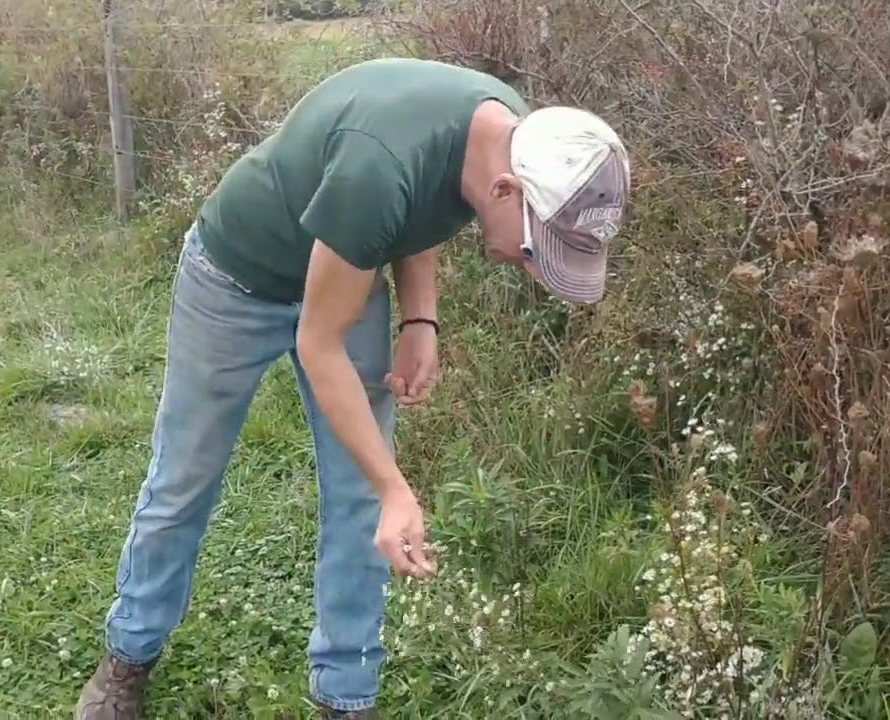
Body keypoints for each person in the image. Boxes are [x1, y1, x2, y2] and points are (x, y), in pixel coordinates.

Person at [75, 56, 630, 720]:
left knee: (361, 504)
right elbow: (320, 340)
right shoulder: (382, 166)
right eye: (538, 248)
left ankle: (346, 698)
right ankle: (127, 659)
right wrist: (397, 486)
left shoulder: (503, 131)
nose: (527, 265)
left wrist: (420, 318)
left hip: (347, 270)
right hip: (235, 276)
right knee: (185, 479)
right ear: (508, 190)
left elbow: (422, 203)